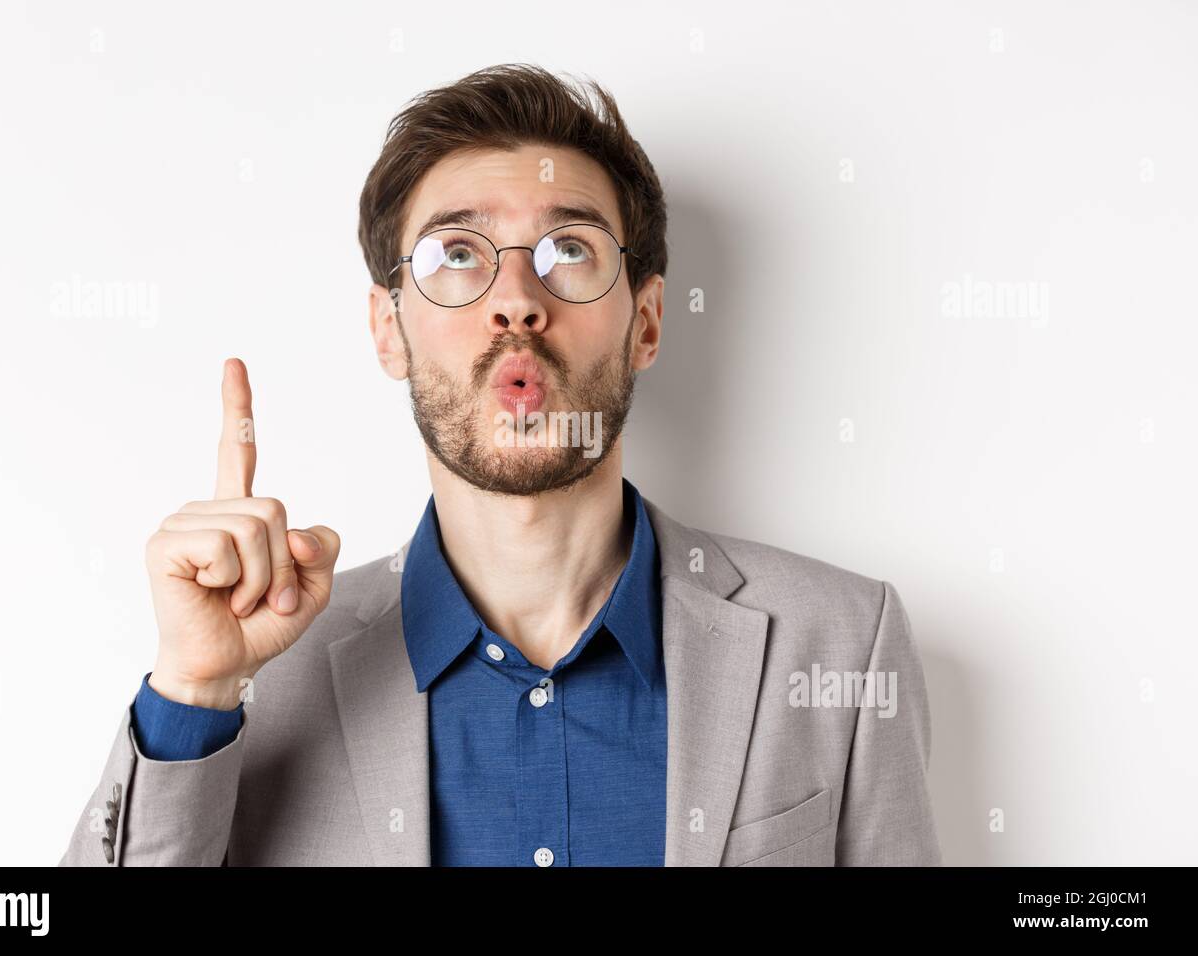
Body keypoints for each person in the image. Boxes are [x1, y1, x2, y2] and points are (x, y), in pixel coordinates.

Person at [60, 63, 941, 867]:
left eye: (569, 251)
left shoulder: (840, 643)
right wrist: (195, 690)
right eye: (458, 255)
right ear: (387, 327)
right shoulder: (258, 678)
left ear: (646, 323)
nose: (517, 303)